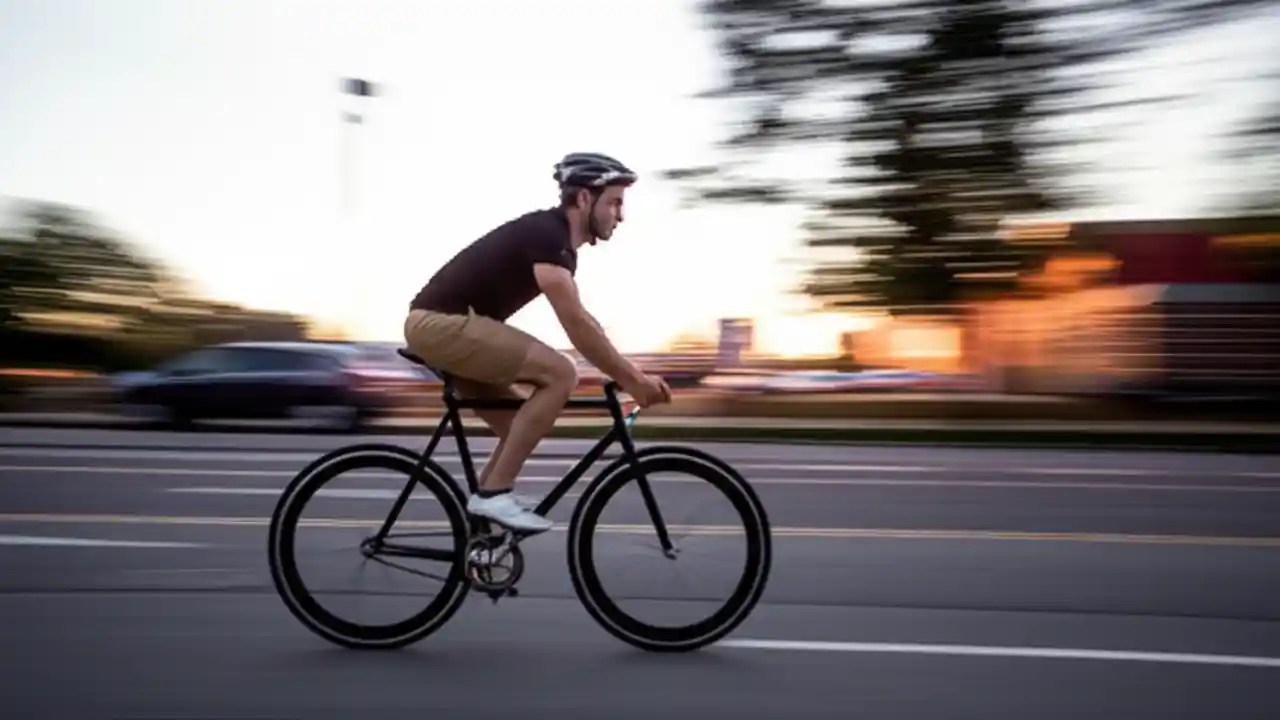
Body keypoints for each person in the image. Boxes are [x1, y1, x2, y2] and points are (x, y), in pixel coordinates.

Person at [402, 152, 672, 533]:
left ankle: (487, 506)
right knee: (561, 372)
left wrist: (629, 374)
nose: (620, 215)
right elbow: (577, 324)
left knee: (521, 425)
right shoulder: (548, 235)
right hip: (438, 324)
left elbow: (582, 321)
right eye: (614, 202)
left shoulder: (556, 243)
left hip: (448, 326)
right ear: (582, 198)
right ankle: (493, 495)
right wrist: (634, 380)